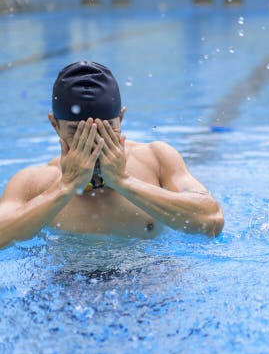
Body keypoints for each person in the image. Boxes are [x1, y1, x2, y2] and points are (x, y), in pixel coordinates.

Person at [0, 61, 224, 249]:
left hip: (150, 277)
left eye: (105, 129)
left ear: (121, 119)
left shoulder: (156, 159)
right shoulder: (33, 183)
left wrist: (124, 181)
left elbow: (212, 221)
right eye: (77, 131)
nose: (92, 142)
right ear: (55, 125)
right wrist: (65, 187)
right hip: (69, 282)